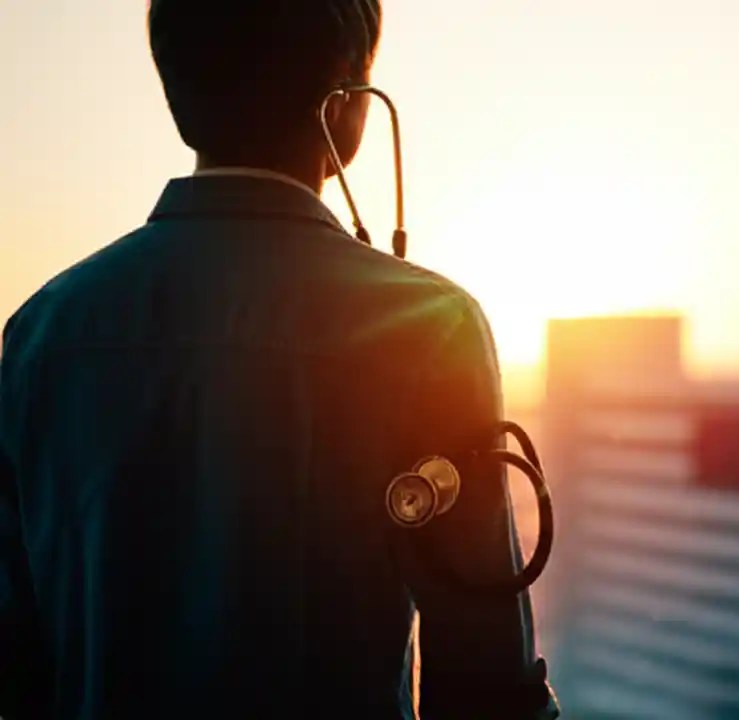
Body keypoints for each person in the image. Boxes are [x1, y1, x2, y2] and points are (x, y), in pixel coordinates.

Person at [0, 1, 557, 717]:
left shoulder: (42, 333)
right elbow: (486, 691)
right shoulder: (429, 327)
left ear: (178, 94)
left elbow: (16, 663)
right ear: (351, 104)